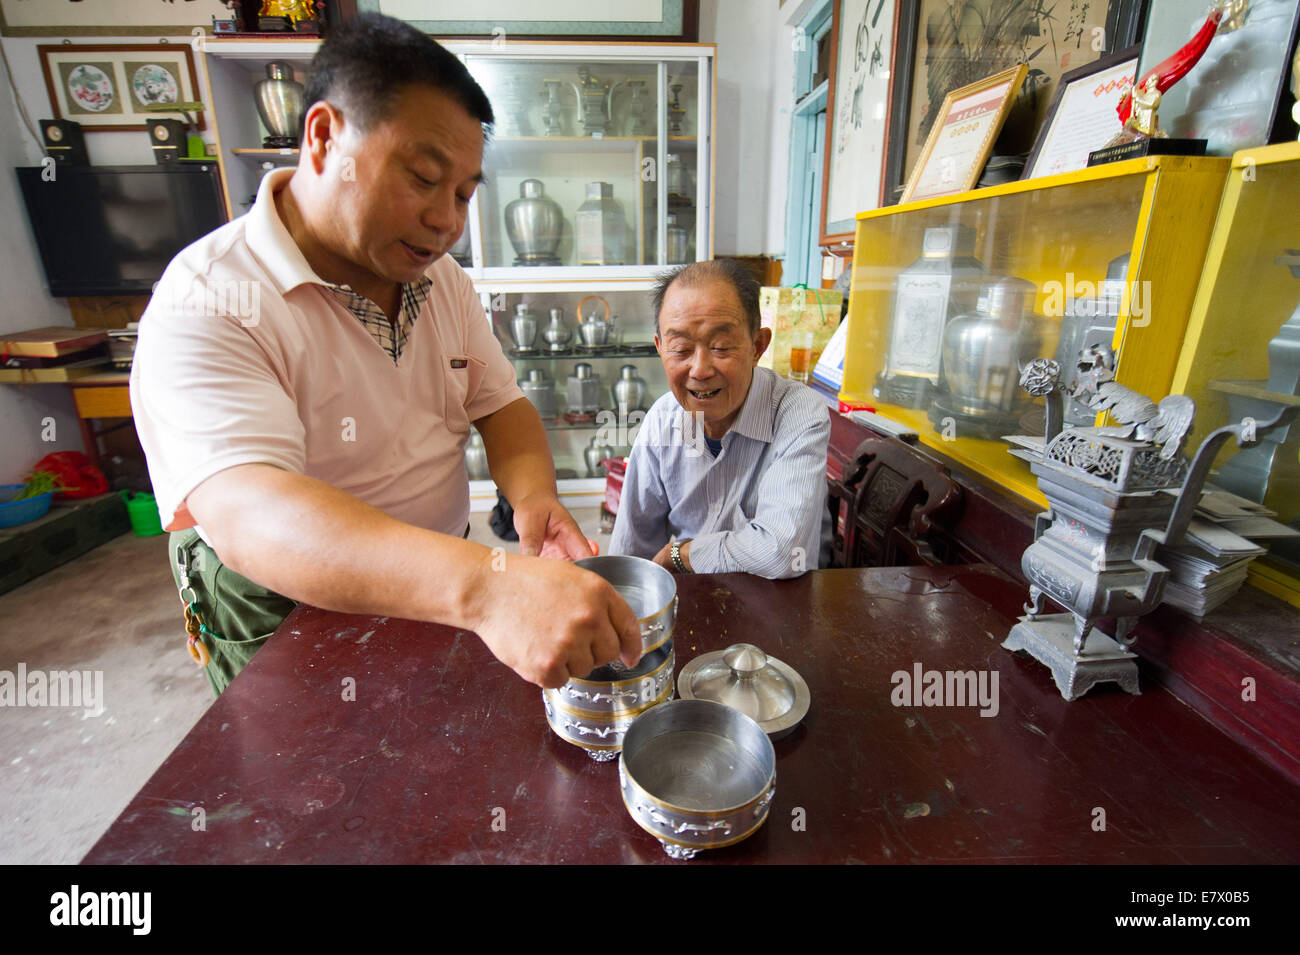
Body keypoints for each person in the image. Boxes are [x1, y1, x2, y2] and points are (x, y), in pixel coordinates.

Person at [130, 13, 641, 695]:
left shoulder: (443, 282)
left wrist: (536, 497)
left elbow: (501, 404)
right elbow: (250, 512)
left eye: (463, 194)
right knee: (307, 770)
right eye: (424, 178)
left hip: (439, 566)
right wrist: (483, 590)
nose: (447, 220)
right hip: (282, 599)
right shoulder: (213, 296)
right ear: (322, 137)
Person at [609, 260, 831, 579]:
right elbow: (631, 552)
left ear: (757, 346)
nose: (699, 370)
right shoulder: (662, 419)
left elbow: (781, 553)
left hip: (783, 602)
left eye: (721, 347)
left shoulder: (797, 412)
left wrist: (682, 553)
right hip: (699, 597)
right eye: (681, 348)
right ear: (660, 348)